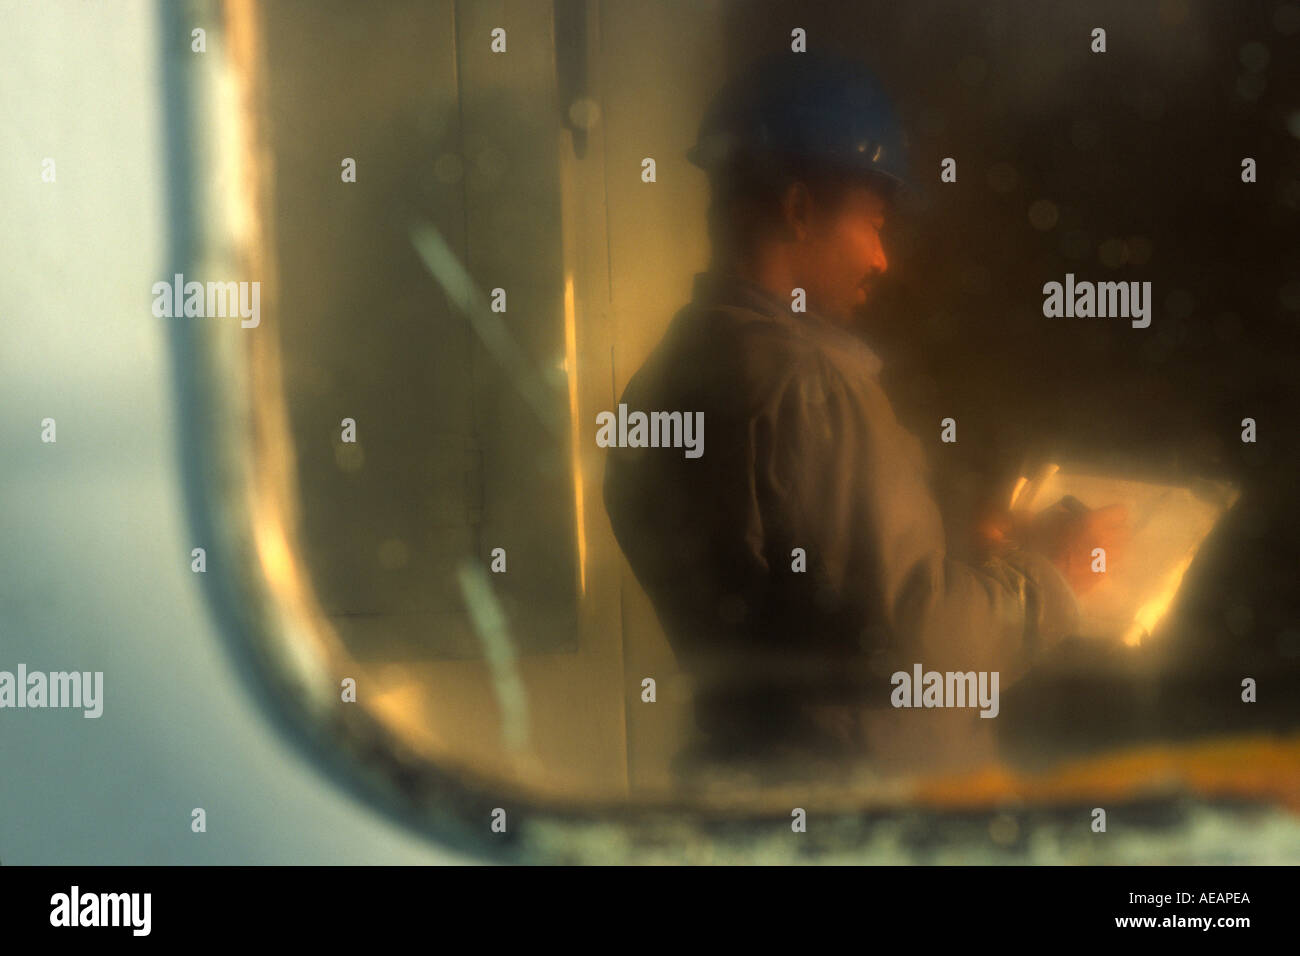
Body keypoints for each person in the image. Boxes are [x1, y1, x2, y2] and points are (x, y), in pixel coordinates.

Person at [602, 52, 1126, 764]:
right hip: (862, 801)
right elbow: (924, 653)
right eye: (873, 222)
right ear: (799, 210)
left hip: (751, 778)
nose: (882, 259)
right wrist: (1052, 575)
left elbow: (812, 593)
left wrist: (961, 555)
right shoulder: (810, 385)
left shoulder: (663, 380)